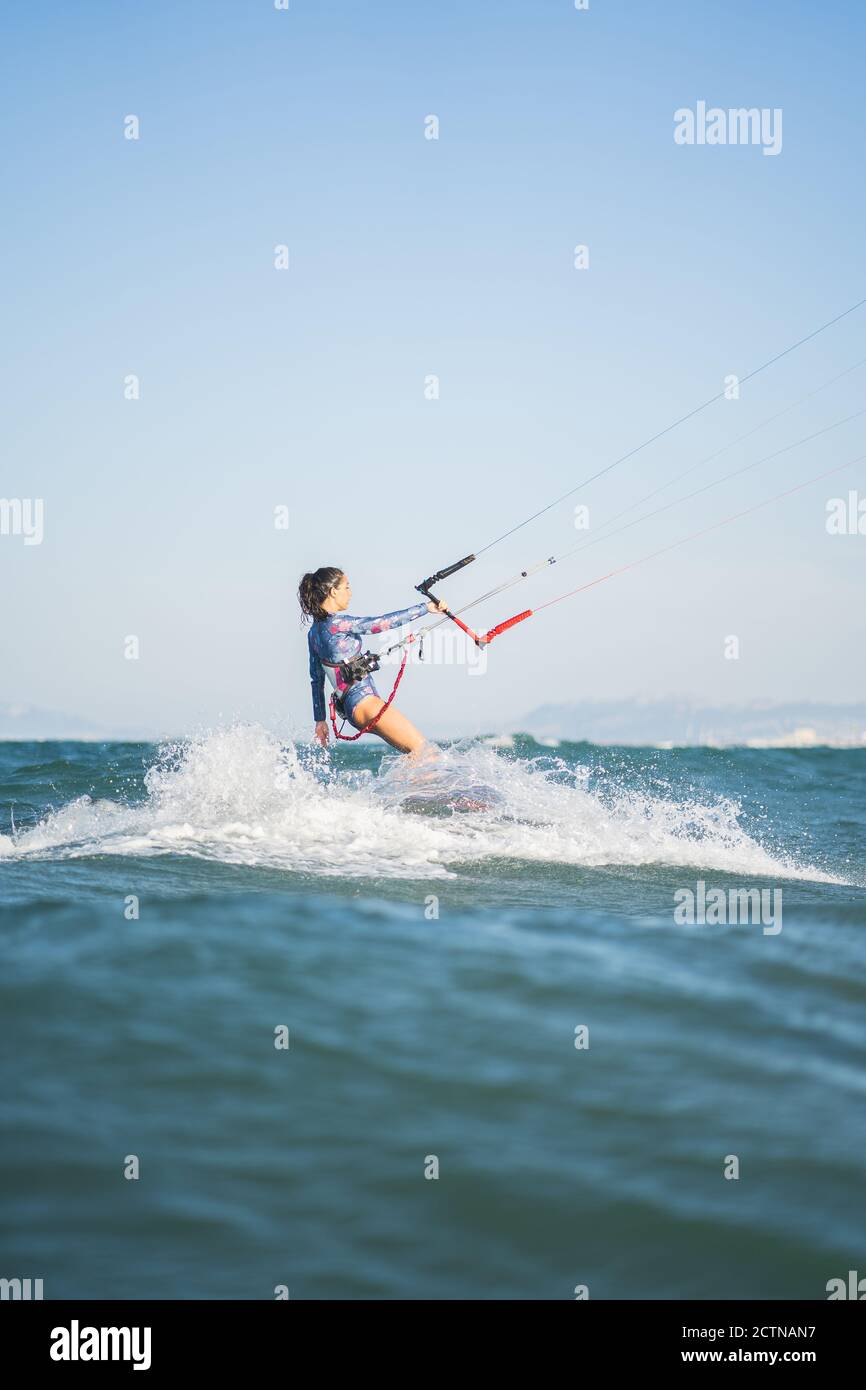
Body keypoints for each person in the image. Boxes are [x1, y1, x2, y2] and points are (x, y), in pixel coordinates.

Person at [299, 567, 446, 754]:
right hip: (364, 702)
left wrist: (320, 720)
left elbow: (316, 679)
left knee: (416, 754)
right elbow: (381, 623)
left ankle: (404, 783)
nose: (350, 593)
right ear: (333, 592)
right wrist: (425, 608)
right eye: (346, 587)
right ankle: (403, 783)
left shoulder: (314, 633)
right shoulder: (338, 624)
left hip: (354, 711)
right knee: (425, 751)